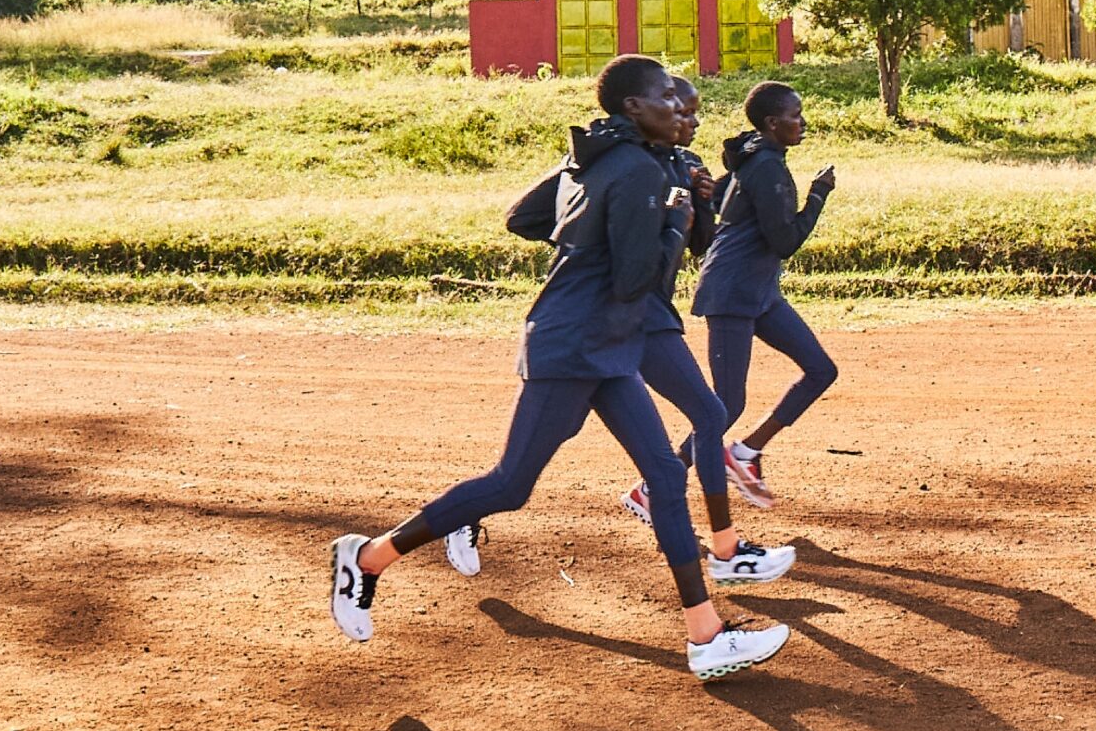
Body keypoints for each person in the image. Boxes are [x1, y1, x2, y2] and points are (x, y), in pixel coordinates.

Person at [330, 55, 791, 681]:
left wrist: (640, 218)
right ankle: (371, 556)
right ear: (633, 108)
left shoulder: (620, 159)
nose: (681, 109)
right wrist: (673, 222)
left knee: (662, 473)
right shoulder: (633, 169)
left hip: (610, 343)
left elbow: (549, 226)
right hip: (575, 344)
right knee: (511, 485)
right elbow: (634, 279)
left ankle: (706, 636)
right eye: (667, 97)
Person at [458, 75, 794, 587]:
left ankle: (718, 551)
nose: (691, 118)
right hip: (611, 313)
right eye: (681, 105)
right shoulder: (612, 162)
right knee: (702, 413)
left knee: (698, 416)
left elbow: (696, 241)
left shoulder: (681, 165)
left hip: (647, 314)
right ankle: (724, 552)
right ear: (641, 110)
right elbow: (522, 219)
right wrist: (594, 232)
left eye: (692, 109)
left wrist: (696, 201)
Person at [690, 81, 840, 507]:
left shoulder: (757, 157)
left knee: (820, 370)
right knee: (725, 404)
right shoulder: (767, 167)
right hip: (732, 291)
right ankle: (652, 485)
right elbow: (785, 241)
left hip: (758, 292)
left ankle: (746, 451)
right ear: (773, 124)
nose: (803, 122)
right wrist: (817, 195)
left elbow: (723, 203)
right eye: (795, 115)